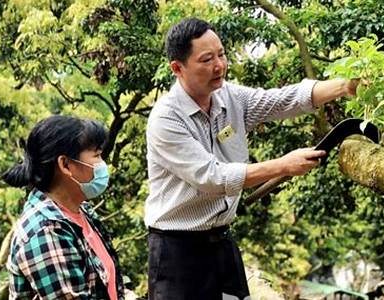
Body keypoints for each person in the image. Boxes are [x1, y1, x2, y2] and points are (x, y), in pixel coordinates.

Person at [145, 17, 359, 300]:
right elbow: (213, 178)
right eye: (207, 59)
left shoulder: (229, 96)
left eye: (221, 54)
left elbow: (283, 100)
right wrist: (283, 165)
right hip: (178, 251)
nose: (219, 65)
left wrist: (344, 86)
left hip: (221, 241)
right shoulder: (166, 118)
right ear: (178, 68)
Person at [3, 115, 125, 299]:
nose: (103, 165)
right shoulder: (46, 232)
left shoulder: (81, 211)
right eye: (97, 155)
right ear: (65, 164)